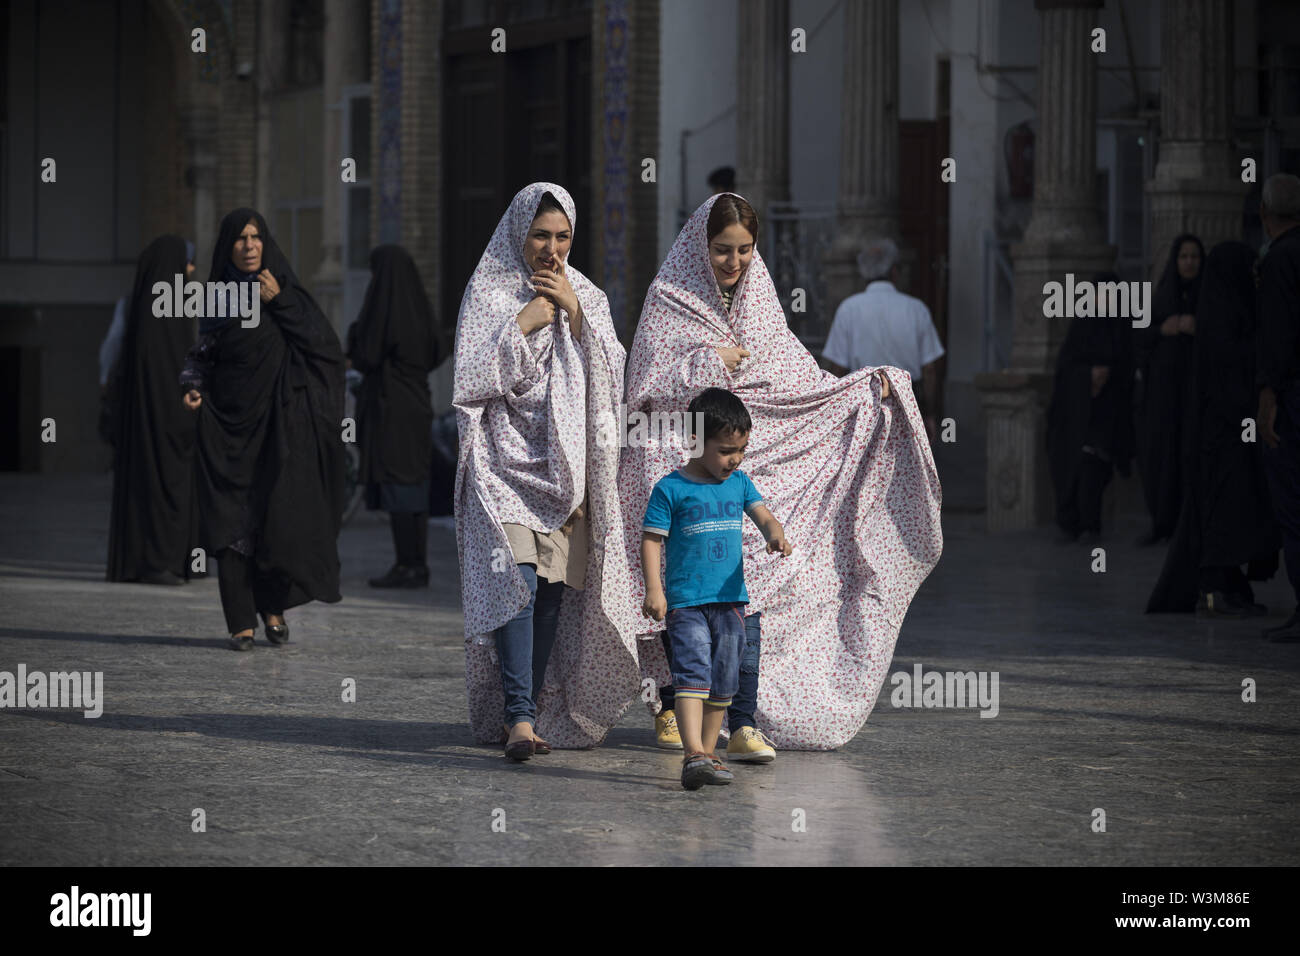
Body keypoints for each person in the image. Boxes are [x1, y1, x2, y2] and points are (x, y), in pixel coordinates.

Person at [622, 192, 943, 752]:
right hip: (677, 464)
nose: (734, 262)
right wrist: (707, 364)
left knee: (743, 599)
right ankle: (671, 702)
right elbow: (644, 388)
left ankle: (739, 717)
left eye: (746, 250)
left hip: (744, 466)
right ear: (701, 245)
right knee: (682, 594)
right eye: (723, 250)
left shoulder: (761, 300)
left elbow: (797, 379)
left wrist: (865, 390)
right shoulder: (669, 297)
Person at [454, 182, 634, 757]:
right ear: (519, 233)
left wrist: (575, 315)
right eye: (540, 235)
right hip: (502, 467)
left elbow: (615, 377)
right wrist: (525, 324)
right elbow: (470, 380)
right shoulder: (489, 292)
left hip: (568, 472)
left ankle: (523, 714)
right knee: (519, 583)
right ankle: (520, 717)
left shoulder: (590, 298)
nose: (551, 249)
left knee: (553, 591)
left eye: (562, 237)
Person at [181, 208, 346, 651]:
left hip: (280, 427)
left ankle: (272, 608)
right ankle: (241, 622)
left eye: (256, 237)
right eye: (240, 239)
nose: (250, 245)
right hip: (228, 426)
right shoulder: (218, 297)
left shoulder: (286, 290)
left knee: (276, 518)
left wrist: (280, 302)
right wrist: (193, 387)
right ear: (229, 247)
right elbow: (201, 353)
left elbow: (325, 348)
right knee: (232, 525)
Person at [642, 388, 792, 789]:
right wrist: (654, 589)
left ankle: (708, 754)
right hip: (687, 604)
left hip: (730, 604)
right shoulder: (669, 489)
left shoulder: (740, 483)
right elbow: (652, 540)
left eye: (741, 449)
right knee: (693, 673)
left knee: (724, 679)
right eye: (727, 450)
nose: (736, 459)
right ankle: (693, 753)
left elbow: (764, 516)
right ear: (694, 440)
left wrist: (774, 534)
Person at [1147, 242, 1279, 615]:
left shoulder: (1221, 314)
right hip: (1222, 436)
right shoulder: (1223, 321)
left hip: (1225, 434)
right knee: (1225, 510)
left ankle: (1225, 585)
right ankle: (1215, 588)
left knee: (1231, 508)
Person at [347, 245, 442, 588]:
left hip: (391, 411)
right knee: (414, 487)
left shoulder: (384, 311)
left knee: (400, 489)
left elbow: (365, 355)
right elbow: (436, 351)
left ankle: (406, 564)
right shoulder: (419, 308)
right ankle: (417, 564)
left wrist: (356, 334)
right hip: (418, 405)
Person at [106, 236, 199, 585]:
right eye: (186, 264)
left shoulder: (147, 312)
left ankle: (157, 560)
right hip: (167, 423)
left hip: (152, 424)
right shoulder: (170, 315)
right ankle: (161, 561)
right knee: (169, 485)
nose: (190, 271)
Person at [822, 238, 944, 443]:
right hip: (908, 401)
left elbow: (837, 368)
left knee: (866, 470)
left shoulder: (848, 309)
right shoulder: (916, 309)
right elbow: (930, 369)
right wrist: (929, 412)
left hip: (862, 403)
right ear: (894, 272)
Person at [1045, 271, 1136, 543]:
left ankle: (1089, 523)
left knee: (1093, 466)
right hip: (1075, 414)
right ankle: (1073, 521)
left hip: (1109, 414)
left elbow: (1129, 367)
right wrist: (1087, 377)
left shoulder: (1123, 327)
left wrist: (1107, 377)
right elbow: (1064, 369)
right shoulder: (1081, 327)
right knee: (1072, 460)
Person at [1135, 233, 1204, 545]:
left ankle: (1189, 525)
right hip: (1162, 399)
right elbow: (1139, 342)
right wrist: (1162, 329)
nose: (1189, 262)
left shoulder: (1209, 298)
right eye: (1183, 257)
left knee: (1189, 455)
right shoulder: (1162, 298)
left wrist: (1198, 327)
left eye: (1194, 257)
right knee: (1161, 456)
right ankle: (1162, 521)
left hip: (1195, 397)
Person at [1255, 173, 1300, 641]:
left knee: (1293, 503)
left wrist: (1268, 398)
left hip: (1292, 397)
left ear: (1265, 214)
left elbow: (1276, 339)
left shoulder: (1277, 263)